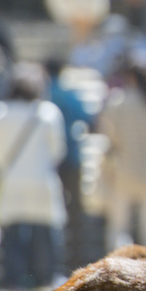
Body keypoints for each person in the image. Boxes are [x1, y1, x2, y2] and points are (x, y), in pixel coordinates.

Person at [0, 66, 67, 290]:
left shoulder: (0, 112)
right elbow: (57, 150)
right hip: (42, 178)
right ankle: (46, 277)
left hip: (11, 179)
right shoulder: (48, 113)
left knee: (12, 234)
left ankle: (14, 279)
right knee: (44, 233)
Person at [99, 62, 146, 251]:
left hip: (124, 172)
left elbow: (109, 138)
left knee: (119, 227)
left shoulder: (118, 102)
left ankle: (116, 269)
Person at [44, 57, 94, 267]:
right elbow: (90, 120)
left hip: (48, 161)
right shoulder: (71, 94)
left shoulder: (43, 95)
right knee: (74, 210)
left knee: (50, 210)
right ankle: (76, 259)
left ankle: (51, 260)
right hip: (73, 158)